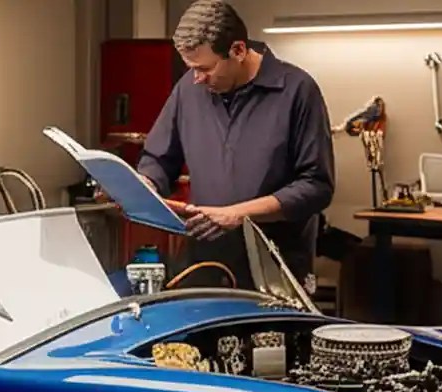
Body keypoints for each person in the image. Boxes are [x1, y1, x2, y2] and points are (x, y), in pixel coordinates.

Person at [136, 0, 335, 292]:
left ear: (238, 50)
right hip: (204, 262)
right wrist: (145, 182)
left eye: (205, 68)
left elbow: (317, 186)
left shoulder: (297, 90)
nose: (197, 78)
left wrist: (239, 214)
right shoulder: (189, 89)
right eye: (191, 68)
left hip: (273, 267)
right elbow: (159, 158)